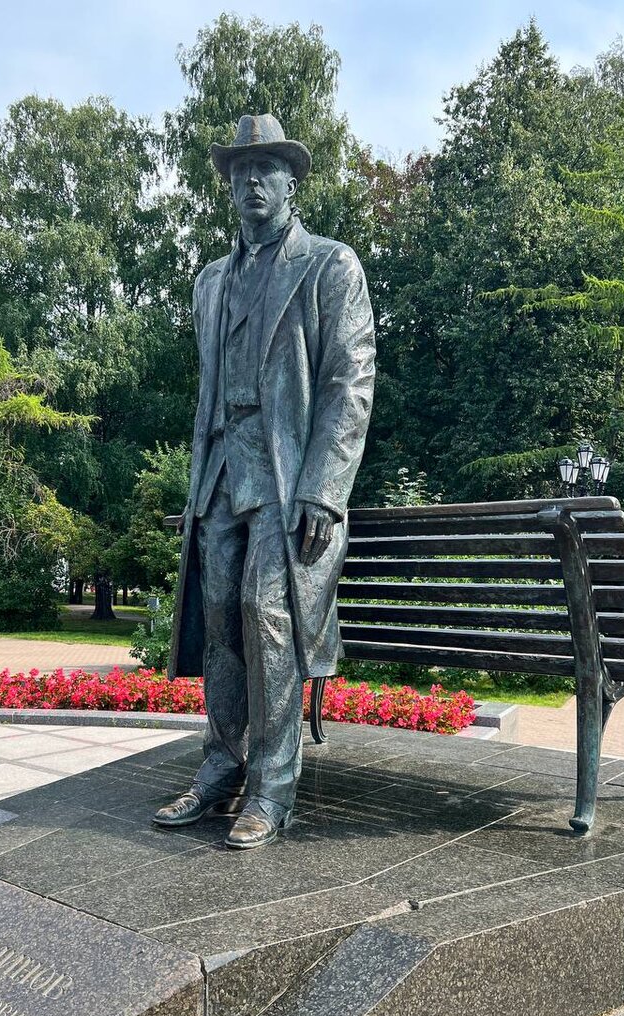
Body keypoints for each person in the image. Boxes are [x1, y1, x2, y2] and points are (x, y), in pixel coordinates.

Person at [153, 114, 375, 850]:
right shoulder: (209, 282)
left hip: (286, 476)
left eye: (265, 169)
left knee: (266, 614)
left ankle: (272, 791)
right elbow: (208, 391)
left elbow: (350, 380)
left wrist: (323, 486)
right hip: (221, 471)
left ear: (290, 182)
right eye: (238, 171)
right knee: (219, 618)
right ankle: (221, 769)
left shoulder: (329, 265)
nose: (250, 181)